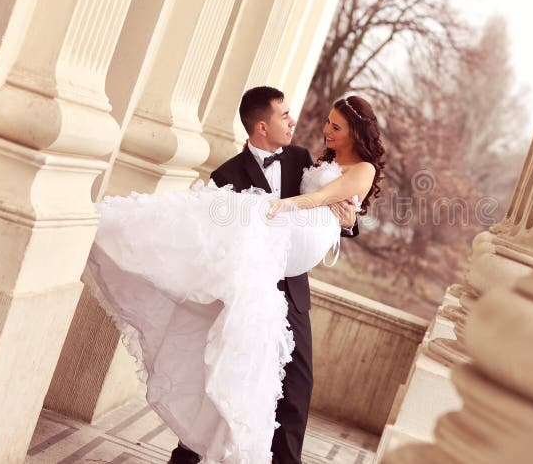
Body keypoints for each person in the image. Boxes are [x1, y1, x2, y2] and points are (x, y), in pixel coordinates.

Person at [86, 88, 384, 464]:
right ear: (262, 126)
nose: (294, 121)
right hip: (240, 295)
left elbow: (325, 209)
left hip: (290, 294)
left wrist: (350, 222)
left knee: (295, 391)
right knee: (218, 381)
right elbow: (210, 238)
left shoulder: (299, 159)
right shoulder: (226, 174)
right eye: (284, 115)